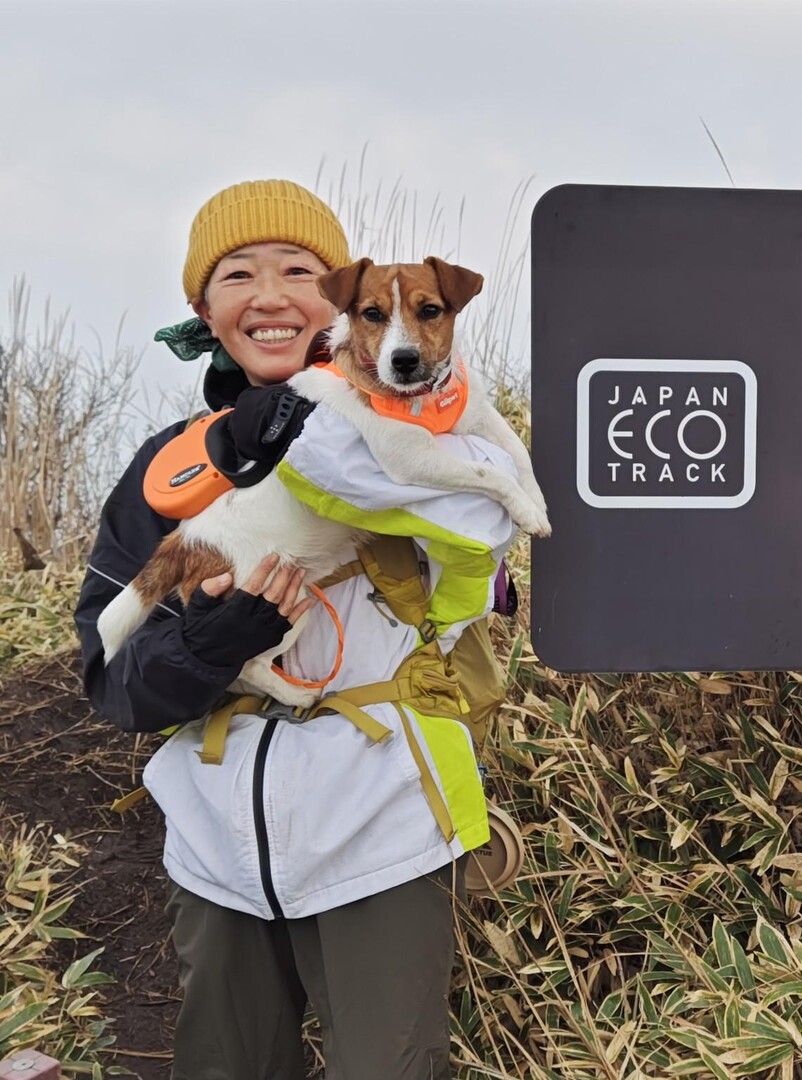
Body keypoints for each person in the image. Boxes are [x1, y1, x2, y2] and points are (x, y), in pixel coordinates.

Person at [74, 179, 515, 1079]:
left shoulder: (419, 437)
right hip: (214, 838)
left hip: (383, 821)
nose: (270, 295)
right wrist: (214, 637)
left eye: (299, 271)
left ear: (345, 299)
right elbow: (111, 680)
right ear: (204, 307)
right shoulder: (167, 471)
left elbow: (478, 583)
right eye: (237, 273)